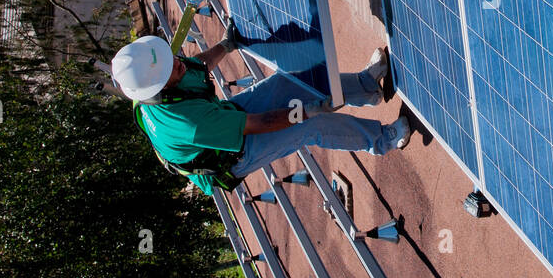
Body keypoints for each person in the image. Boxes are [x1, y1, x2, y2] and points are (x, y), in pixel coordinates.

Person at [111, 32, 409, 189]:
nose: (176, 62)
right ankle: (381, 140)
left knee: (285, 83)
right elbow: (262, 122)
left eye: (169, 57)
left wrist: (226, 46)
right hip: (233, 156)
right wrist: (308, 111)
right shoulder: (188, 123)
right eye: (169, 68)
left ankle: (365, 86)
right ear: (158, 86)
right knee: (308, 127)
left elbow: (196, 67)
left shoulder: (159, 77)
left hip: (224, 117)